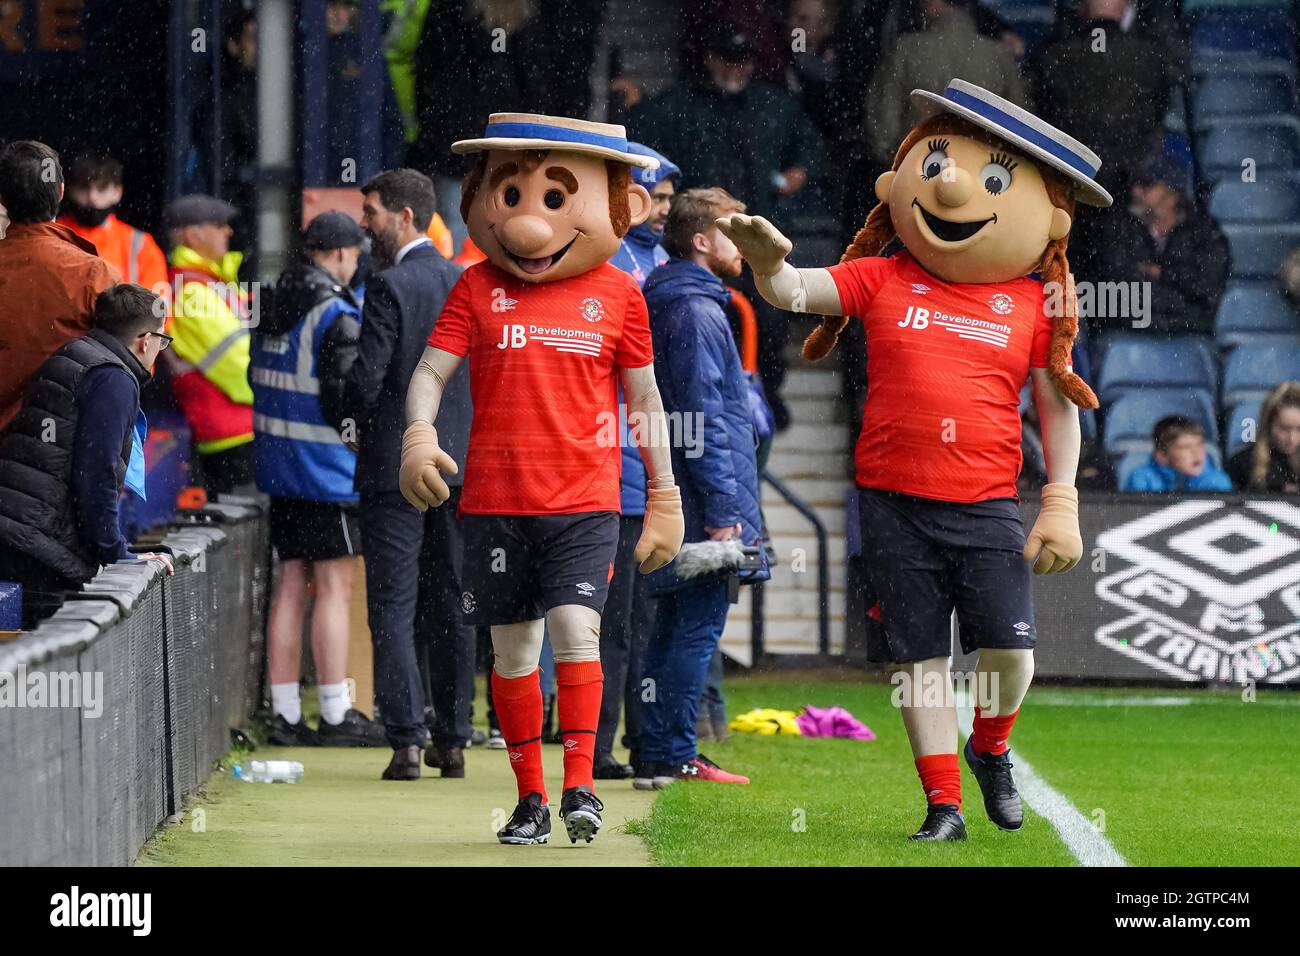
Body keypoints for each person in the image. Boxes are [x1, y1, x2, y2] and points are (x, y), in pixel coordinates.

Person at [718, 79, 1110, 841]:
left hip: (988, 501)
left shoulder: (1033, 303)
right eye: (935, 163)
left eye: (994, 179)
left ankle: (990, 748)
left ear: (1050, 219)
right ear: (897, 182)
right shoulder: (882, 275)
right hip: (893, 502)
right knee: (920, 663)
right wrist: (768, 266)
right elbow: (802, 289)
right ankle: (944, 806)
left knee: (1010, 655)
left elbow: (1059, 402)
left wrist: (1061, 496)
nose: (954, 185)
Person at [401, 113, 684, 846]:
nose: (530, 226)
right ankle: (531, 799)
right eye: (513, 195)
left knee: (573, 629)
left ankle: (582, 785)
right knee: (514, 653)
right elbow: (431, 372)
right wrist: (418, 434)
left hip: (586, 502)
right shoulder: (474, 288)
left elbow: (647, 400)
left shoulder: (621, 294)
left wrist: (665, 493)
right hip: (495, 503)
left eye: (556, 200)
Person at [328, 169, 476, 781]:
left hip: (395, 466)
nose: (364, 225)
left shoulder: (388, 286)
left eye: (371, 213)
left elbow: (368, 379)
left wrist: (348, 413)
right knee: (455, 600)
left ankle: (406, 741)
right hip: (460, 463)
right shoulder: (467, 282)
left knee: (392, 602)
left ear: (406, 217)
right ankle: (455, 737)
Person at [634, 187, 770, 790]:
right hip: (700, 500)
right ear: (700, 240)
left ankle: (657, 752)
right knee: (696, 626)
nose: (743, 245)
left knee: (672, 625)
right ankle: (674, 754)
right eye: (732, 232)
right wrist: (722, 512)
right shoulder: (697, 309)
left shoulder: (677, 301)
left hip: (679, 492)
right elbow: (705, 420)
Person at [252, 211, 385, 747]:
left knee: (290, 585)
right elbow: (343, 401)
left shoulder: (269, 304)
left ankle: (283, 712)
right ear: (338, 254)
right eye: (354, 256)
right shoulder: (337, 314)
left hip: (279, 468)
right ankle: (335, 711)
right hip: (326, 472)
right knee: (334, 586)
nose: (356, 266)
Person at [0, 285, 174, 629]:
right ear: (145, 339)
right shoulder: (114, 380)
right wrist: (117, 553)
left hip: (16, 532)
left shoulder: (76, 354)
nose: (160, 348)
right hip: (39, 551)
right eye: (162, 340)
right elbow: (96, 475)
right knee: (43, 668)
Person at [599, 141, 679, 778]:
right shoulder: (614, 267)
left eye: (672, 198)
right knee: (609, 624)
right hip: (614, 468)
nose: (662, 208)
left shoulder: (662, 264)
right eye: (654, 194)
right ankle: (594, 748)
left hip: (645, 461)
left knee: (637, 621)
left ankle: (630, 742)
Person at [0, 140, 121, 432]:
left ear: (2, 198)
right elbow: (121, 379)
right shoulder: (95, 275)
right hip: (62, 456)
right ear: (61, 191)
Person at [163, 194, 256, 495]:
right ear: (192, 234)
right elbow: (235, 363)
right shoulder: (191, 291)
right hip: (230, 434)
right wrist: (274, 399)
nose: (228, 231)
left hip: (234, 430)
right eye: (219, 225)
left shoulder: (207, 282)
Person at [864, 0, 1025, 169]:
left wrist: (901, 163)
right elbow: (1020, 128)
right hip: (983, 178)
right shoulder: (998, 56)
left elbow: (883, 127)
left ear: (934, 4)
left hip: (916, 172)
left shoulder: (906, 49)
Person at [1097, 156, 1229, 336]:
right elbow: (1113, 288)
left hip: (1190, 336)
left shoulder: (1204, 233)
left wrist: (1163, 273)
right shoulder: (1121, 229)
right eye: (1136, 184)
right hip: (1129, 335)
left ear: (1173, 195)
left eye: (1147, 184)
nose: (1137, 191)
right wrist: (1176, 293)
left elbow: (1208, 289)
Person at [57, 155, 169, 294]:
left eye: (102, 188)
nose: (92, 197)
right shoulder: (51, 235)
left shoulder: (140, 245)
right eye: (84, 188)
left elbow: (158, 308)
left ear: (117, 192)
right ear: (69, 190)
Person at [1122, 417, 1232, 492]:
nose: (1196, 452)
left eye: (1199, 444)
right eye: (1186, 447)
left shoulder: (1217, 480)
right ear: (1162, 456)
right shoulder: (1142, 478)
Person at [1227, 382, 1300, 493]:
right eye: (1284, 429)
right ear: (1268, 425)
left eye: (1299, 429)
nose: (1292, 439)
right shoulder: (1242, 464)